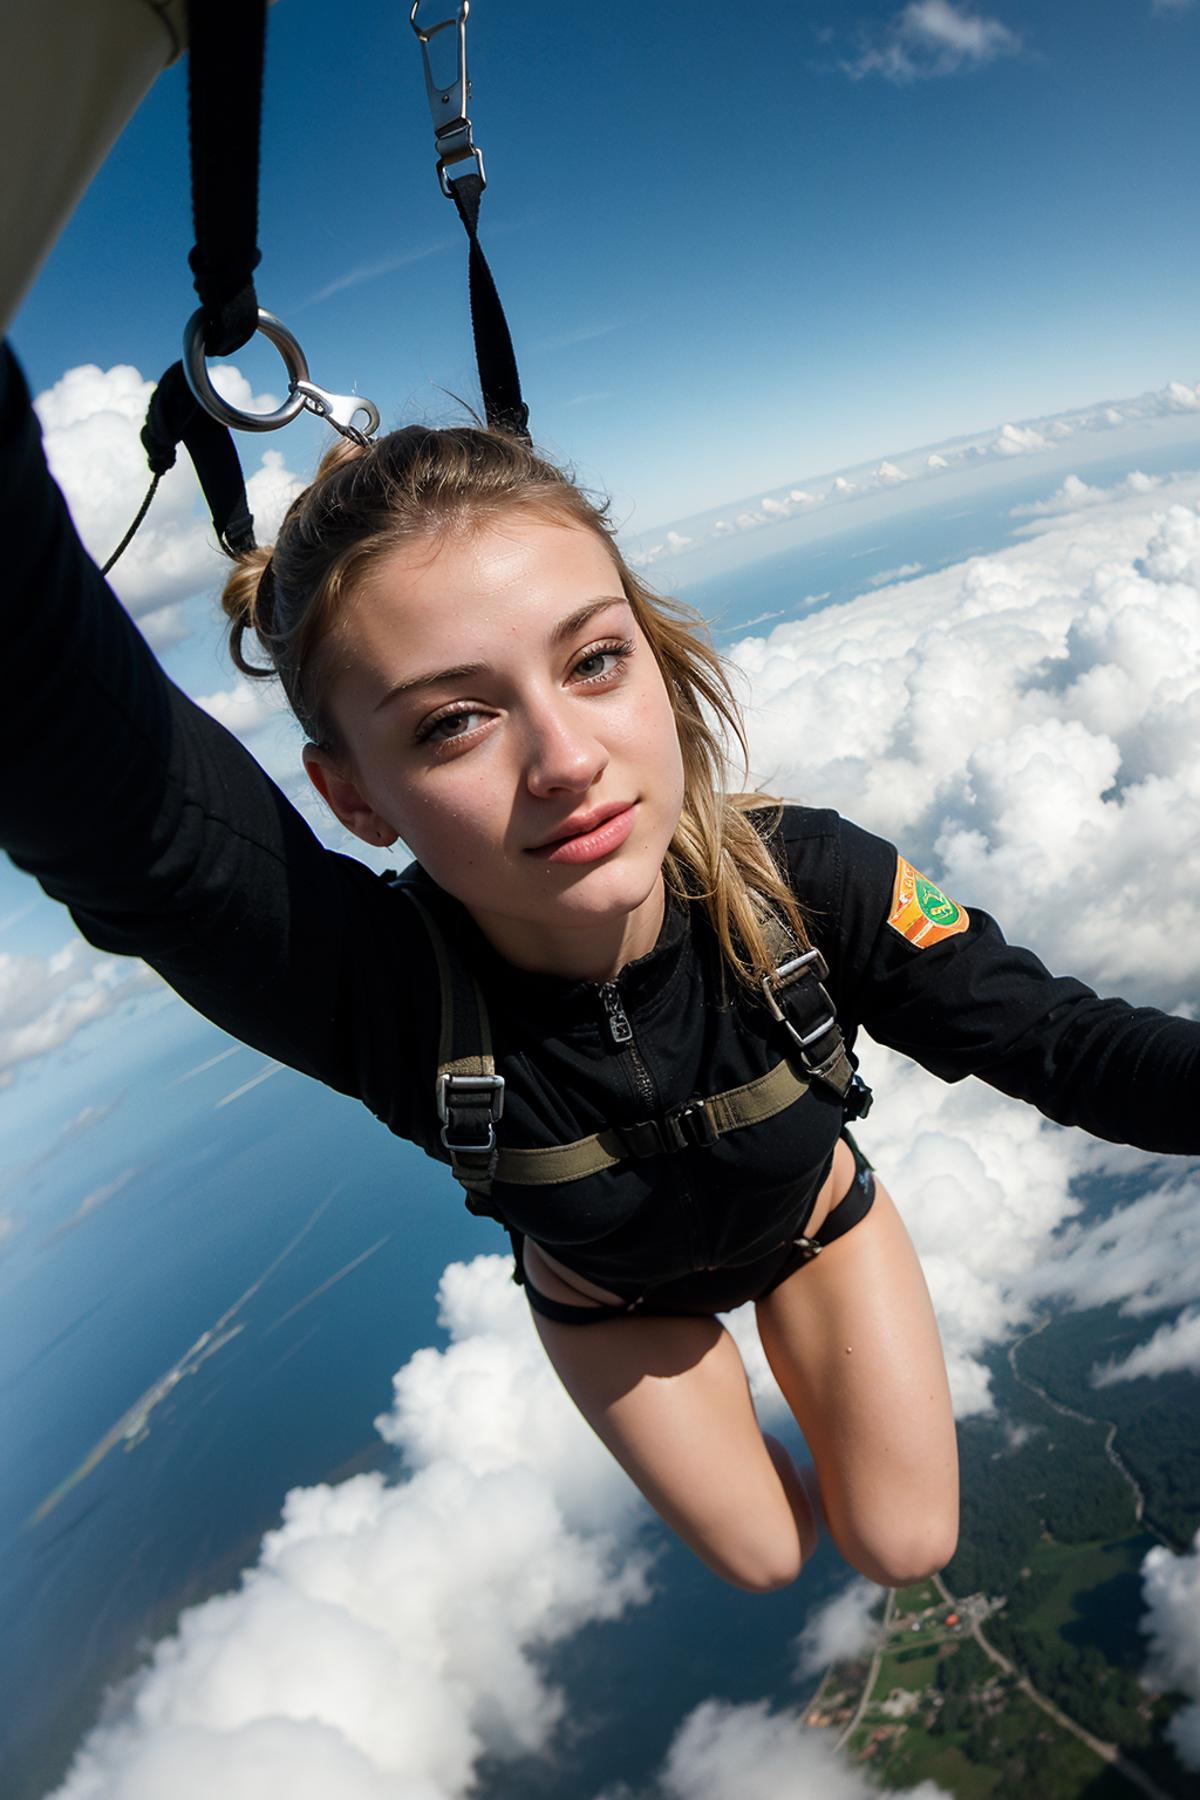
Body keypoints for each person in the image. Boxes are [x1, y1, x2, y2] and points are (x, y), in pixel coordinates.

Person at [4, 338, 1198, 1597]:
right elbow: (127, 818)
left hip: (810, 1225)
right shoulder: (380, 995)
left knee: (907, 1544)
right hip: (610, 1300)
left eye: (592, 660)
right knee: (765, 1557)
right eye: (453, 721)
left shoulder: (804, 890)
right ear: (354, 798)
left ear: (655, 658)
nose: (567, 759)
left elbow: (1068, 1044)